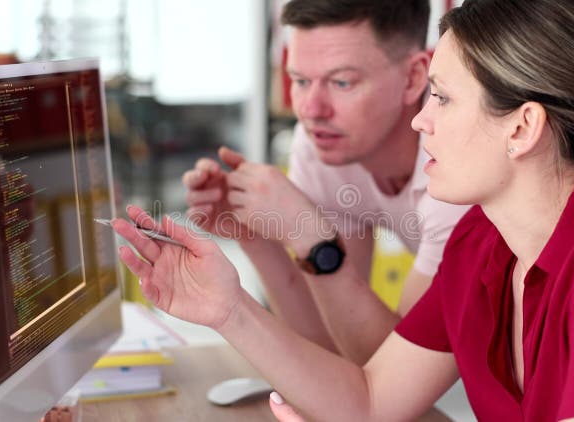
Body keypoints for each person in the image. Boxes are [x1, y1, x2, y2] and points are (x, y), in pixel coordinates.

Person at [113, 0, 574, 420]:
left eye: (442, 96)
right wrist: (227, 306)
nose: (421, 119)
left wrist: (309, 237)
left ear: (522, 126)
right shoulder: (481, 243)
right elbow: (370, 399)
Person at [183, 0, 470, 366]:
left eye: (341, 82)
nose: (312, 110)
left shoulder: (457, 159)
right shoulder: (323, 145)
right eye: (300, 81)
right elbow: (327, 344)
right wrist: (251, 231)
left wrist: (314, 241)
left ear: (414, 78)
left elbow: (394, 368)